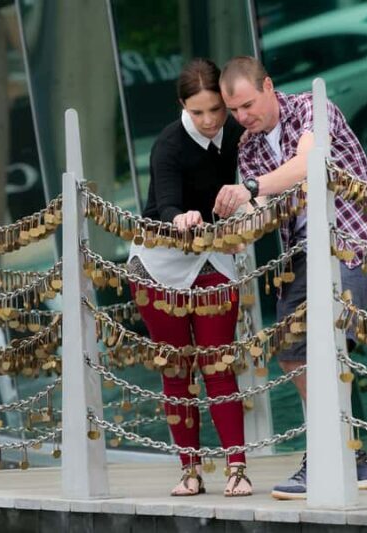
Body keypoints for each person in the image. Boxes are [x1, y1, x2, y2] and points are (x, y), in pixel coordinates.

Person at [213, 56, 367, 499]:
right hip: (308, 252)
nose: (242, 118)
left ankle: (328, 453)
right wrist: (233, 231)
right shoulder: (248, 146)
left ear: (269, 86)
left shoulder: (314, 107)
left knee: (327, 344)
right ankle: (351, 456)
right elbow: (264, 209)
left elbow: (309, 164)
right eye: (234, 111)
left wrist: (251, 189)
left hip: (355, 241)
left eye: (248, 105)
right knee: (292, 348)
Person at [127, 58, 252, 497]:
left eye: (216, 109)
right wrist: (183, 217)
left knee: (219, 363)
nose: (209, 120)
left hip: (213, 257)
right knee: (176, 369)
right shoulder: (168, 144)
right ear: (182, 105)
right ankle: (190, 471)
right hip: (161, 264)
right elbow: (164, 207)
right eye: (198, 111)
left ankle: (237, 469)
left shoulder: (238, 132)